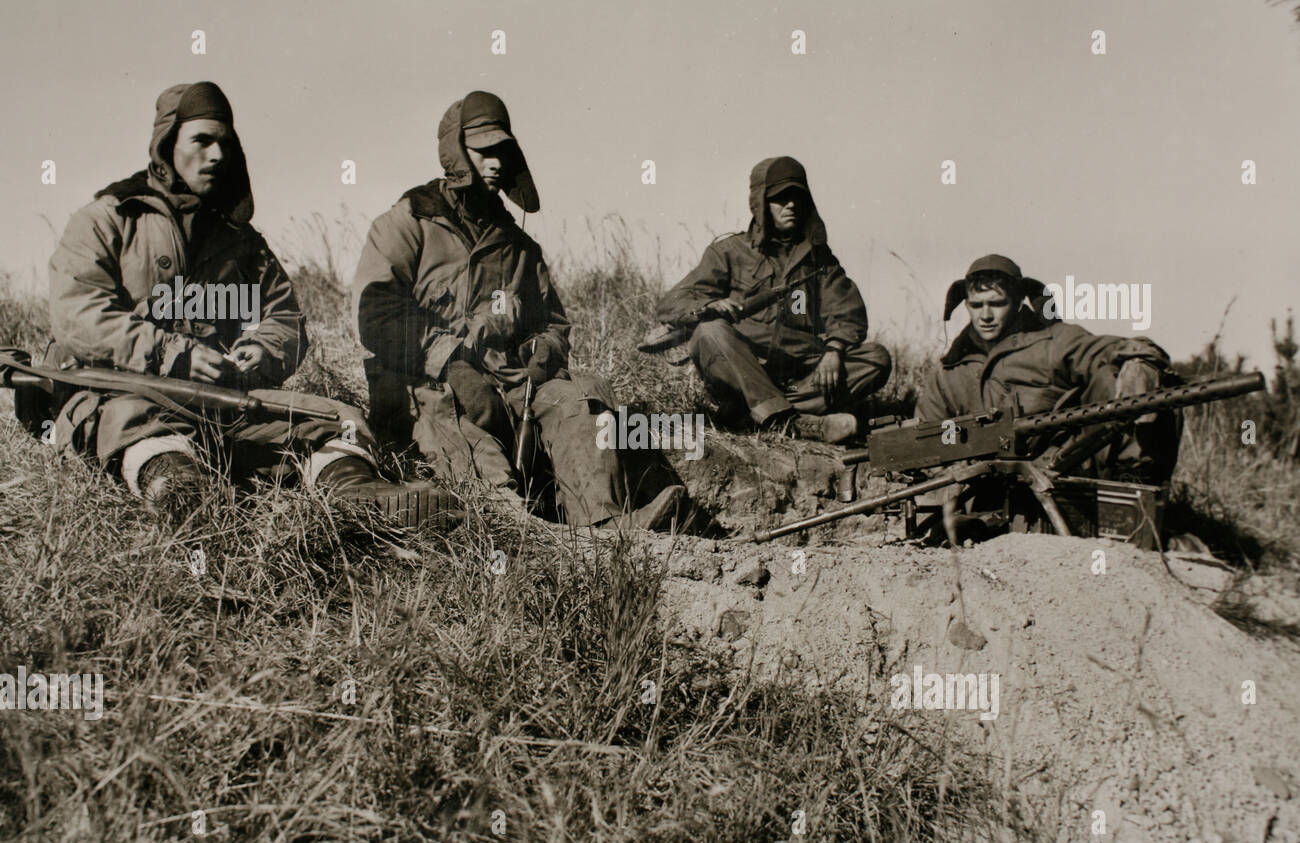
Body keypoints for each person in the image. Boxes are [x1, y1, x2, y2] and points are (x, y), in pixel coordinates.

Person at [34, 81, 454, 528]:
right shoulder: (108, 219)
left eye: (225, 143)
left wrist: (264, 350)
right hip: (125, 390)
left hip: (221, 398)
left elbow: (285, 317)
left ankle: (357, 494)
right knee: (133, 418)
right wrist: (172, 353)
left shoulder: (241, 240)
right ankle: (181, 492)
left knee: (333, 417)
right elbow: (77, 315)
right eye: (201, 140)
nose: (217, 155)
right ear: (166, 144)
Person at [353, 91, 684, 530]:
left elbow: (552, 323)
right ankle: (513, 524)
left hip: (509, 387)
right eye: (483, 152)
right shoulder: (408, 223)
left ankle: (603, 526)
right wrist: (451, 364)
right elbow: (376, 317)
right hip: (423, 387)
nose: (494, 164)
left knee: (574, 398)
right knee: (445, 410)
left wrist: (541, 358)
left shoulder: (520, 247)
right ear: (456, 152)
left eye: (502, 153)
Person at [655, 156, 892, 444]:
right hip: (746, 367)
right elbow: (672, 302)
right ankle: (791, 422)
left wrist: (835, 349)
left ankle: (757, 414)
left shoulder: (819, 259)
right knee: (708, 332)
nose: (790, 205)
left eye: (796, 197)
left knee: (876, 359)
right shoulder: (728, 252)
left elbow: (847, 312)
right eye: (780, 198)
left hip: (800, 372)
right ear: (760, 203)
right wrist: (708, 307)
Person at [917, 254, 1180, 485]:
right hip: (982, 491)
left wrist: (1138, 364)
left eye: (997, 304)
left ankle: (1132, 493)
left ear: (1019, 301)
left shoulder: (1054, 342)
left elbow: (1118, 350)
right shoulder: (947, 373)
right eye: (976, 305)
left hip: (1065, 477)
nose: (985, 315)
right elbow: (925, 440)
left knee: (1118, 376)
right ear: (966, 305)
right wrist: (953, 470)